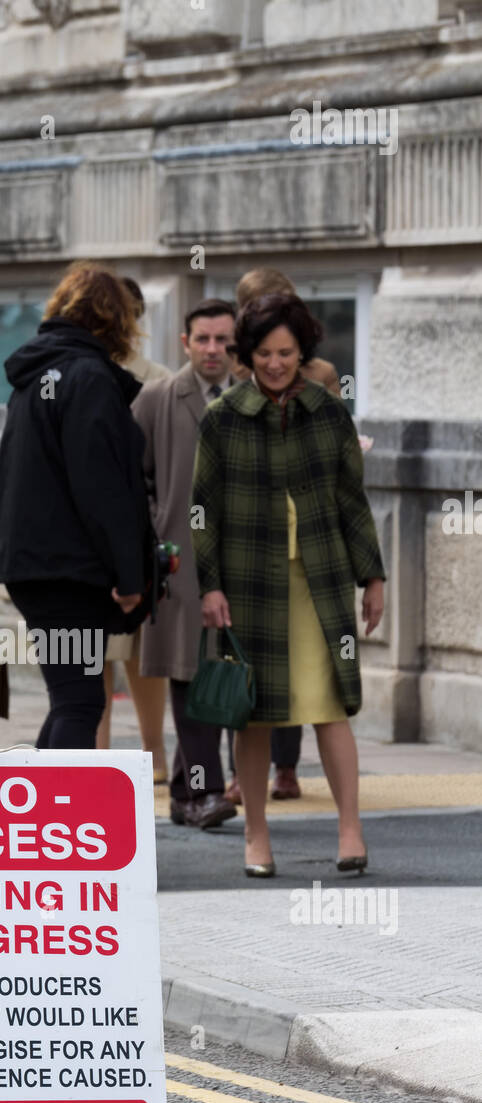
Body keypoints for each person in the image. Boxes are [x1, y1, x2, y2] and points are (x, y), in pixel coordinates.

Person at [193, 293, 386, 877]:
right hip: (249, 585)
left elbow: (353, 501)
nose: (276, 364)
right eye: (265, 353)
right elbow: (203, 510)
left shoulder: (328, 411)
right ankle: (257, 837)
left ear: (302, 350)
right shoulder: (223, 417)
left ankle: (350, 830)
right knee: (252, 714)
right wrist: (209, 585)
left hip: (320, 583)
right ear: (247, 355)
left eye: (286, 352)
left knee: (331, 707)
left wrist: (372, 576)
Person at [0, 261, 153, 750]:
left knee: (70, 698)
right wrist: (130, 576)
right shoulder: (89, 378)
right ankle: (56, 817)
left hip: (36, 569)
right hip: (69, 574)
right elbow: (101, 488)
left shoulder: (35, 377)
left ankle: (41, 812)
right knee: (80, 702)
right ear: (115, 321)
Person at [226, 268, 344, 804]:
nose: (275, 362)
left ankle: (287, 768)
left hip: (306, 535)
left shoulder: (320, 372)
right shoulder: (235, 371)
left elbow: (340, 443)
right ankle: (242, 775)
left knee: (301, 671)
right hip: (249, 534)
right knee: (246, 668)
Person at [132, 299, 239, 830]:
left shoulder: (249, 398)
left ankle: (185, 790)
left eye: (223, 340)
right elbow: (134, 476)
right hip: (179, 562)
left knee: (219, 675)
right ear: (185, 342)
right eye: (203, 339)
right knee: (188, 674)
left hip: (240, 561)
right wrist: (157, 530)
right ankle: (203, 792)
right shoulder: (156, 399)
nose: (213, 349)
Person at [97, 276, 173, 782]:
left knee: (146, 657)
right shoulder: (72, 373)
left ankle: (155, 756)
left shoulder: (159, 381)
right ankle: (98, 763)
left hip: (142, 537)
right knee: (91, 657)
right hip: (85, 542)